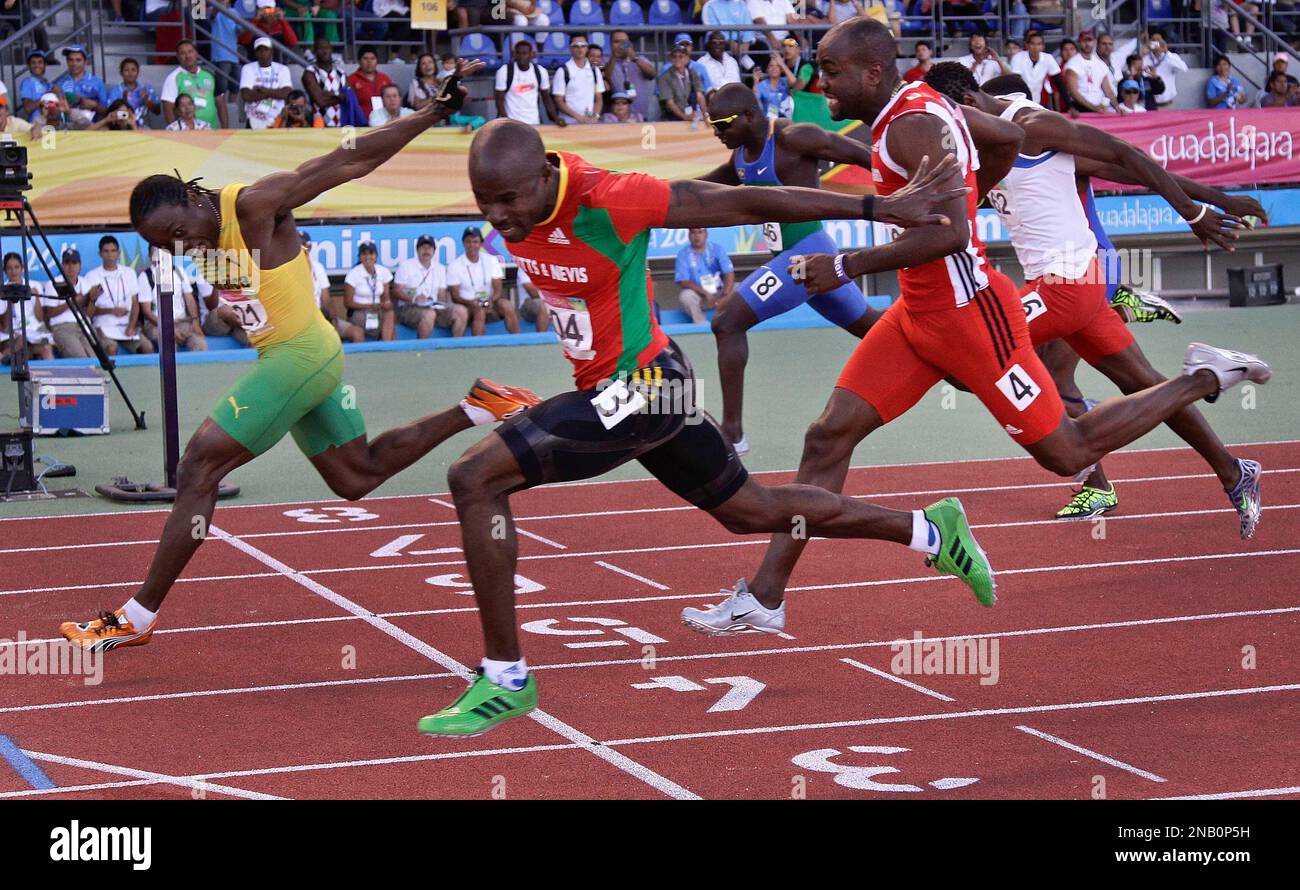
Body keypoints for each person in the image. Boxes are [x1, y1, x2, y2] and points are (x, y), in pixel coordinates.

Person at [681, 19, 1270, 638]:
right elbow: (1008, 137)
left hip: (971, 315)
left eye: (830, 71)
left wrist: (845, 263)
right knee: (827, 437)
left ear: (872, 72)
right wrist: (975, 181)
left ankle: (1206, 375)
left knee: (1065, 450)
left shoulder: (911, 124)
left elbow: (952, 233)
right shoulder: (912, 109)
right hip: (917, 313)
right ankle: (767, 597)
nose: (819, 81)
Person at [414, 117, 992, 738]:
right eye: (484, 202)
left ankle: (505, 679)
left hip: (645, 389)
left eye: (509, 199)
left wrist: (876, 205)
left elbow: (742, 201)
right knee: (752, 509)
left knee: (474, 477)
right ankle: (930, 532)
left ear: (543, 174)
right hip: (644, 391)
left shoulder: (608, 197)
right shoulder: (519, 210)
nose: (498, 216)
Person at [62, 64, 546, 653]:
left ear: (193, 196)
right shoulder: (195, 238)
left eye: (176, 231)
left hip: (299, 357)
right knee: (356, 475)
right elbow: (242, 301)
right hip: (302, 356)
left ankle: (135, 617)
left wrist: (429, 114)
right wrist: (229, 308)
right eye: (163, 246)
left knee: (198, 470)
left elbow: (346, 160)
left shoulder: (255, 206)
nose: (177, 246)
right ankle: (474, 407)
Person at [928, 65, 1266, 535]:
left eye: (946, 116)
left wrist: (1200, 207)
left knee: (974, 357)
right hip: (1070, 292)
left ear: (966, 97)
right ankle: (1234, 471)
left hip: (1068, 285)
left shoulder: (1035, 127)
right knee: (1141, 382)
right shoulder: (982, 143)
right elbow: (1122, 172)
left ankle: (1095, 450)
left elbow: (1125, 157)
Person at [695, 82, 900, 452]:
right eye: (713, 126)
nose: (717, 133)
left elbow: (863, 155)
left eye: (723, 124)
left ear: (750, 115)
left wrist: (908, 190)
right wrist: (645, 195)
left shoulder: (793, 136)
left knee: (726, 321)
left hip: (806, 256)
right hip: (794, 260)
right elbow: (698, 191)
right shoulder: (740, 158)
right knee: (876, 330)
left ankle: (732, 434)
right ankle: (955, 367)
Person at [394, 234, 469, 337]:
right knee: (429, 314)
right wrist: (414, 299)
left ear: (434, 251)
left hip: (434, 307)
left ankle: (457, 347)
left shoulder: (440, 268)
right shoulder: (406, 266)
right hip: (409, 308)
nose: (426, 251)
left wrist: (441, 305)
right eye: (423, 248)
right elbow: (397, 291)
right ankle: (423, 350)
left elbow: (442, 294)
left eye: (429, 248)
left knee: (461, 311)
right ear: (417, 250)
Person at [136, 246, 207, 352]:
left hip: (181, 322)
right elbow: (147, 312)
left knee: (200, 343)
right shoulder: (145, 276)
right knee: (168, 343)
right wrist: (168, 328)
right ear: (150, 257)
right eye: (155, 254)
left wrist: (195, 322)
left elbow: (190, 299)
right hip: (156, 324)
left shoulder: (179, 271)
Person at [448, 227, 517, 335]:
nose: (471, 245)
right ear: (463, 243)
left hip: (490, 302)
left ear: (481, 243)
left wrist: (492, 300)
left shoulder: (492, 260)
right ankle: (477, 346)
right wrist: (471, 303)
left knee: (507, 305)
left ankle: (516, 340)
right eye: (468, 242)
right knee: (479, 311)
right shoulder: (454, 265)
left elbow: (498, 287)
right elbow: (455, 296)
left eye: (475, 242)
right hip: (467, 305)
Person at [494, 39, 565, 127]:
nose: (521, 56)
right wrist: (507, 122)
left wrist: (556, 118)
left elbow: (546, 98)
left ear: (532, 55)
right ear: (514, 55)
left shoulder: (540, 71)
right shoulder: (504, 72)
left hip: (534, 122)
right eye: (518, 53)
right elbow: (499, 100)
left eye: (525, 53)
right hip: (512, 124)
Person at [38, 249, 95, 359]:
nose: (71, 267)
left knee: (96, 358)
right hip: (63, 327)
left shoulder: (86, 283)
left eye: (74, 263)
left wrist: (92, 300)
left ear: (80, 265)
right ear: (62, 265)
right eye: (67, 263)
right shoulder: (54, 283)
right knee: (81, 358)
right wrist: (71, 302)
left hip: (85, 326)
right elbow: (49, 313)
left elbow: (90, 314)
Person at [161, 40, 230, 129]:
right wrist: (175, 133)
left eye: (190, 51)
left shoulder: (210, 75)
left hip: (212, 130)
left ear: (196, 53)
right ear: (178, 56)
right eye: (183, 53)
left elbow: (221, 105)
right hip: (186, 133)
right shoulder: (173, 78)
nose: (187, 56)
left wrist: (225, 130)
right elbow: (168, 109)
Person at [0, 252, 54, 363]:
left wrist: (36, 298)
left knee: (46, 350)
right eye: (9, 268)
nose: (13, 271)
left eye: (16, 267)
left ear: (22, 268)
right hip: (13, 333)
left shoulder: (34, 285)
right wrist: (11, 300)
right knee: (20, 341)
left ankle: (53, 379)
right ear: (5, 271)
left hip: (34, 330)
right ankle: (4, 357)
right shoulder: (2, 290)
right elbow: (4, 324)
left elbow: (40, 318)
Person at [675, 227, 735, 323]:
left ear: (706, 234)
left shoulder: (717, 249)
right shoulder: (683, 254)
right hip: (700, 295)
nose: (697, 236)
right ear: (689, 236)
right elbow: (683, 281)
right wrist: (706, 293)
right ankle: (701, 324)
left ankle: (733, 321)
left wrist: (725, 294)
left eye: (700, 232)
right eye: (693, 232)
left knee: (739, 287)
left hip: (720, 292)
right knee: (686, 296)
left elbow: (729, 273)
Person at [343, 241, 395, 339]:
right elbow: (347, 303)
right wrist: (369, 306)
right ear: (360, 257)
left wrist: (386, 304)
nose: (368, 257)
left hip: (378, 310)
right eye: (364, 254)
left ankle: (386, 347)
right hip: (359, 312)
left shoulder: (383, 271)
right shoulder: (353, 273)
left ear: (376, 256)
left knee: (390, 314)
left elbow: (386, 297)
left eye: (371, 253)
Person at [604, 30, 658, 122]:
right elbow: (606, 76)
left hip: (640, 116)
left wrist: (634, 58)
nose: (621, 45)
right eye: (616, 42)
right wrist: (614, 56)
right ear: (610, 44)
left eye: (624, 42)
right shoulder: (606, 61)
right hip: (617, 119)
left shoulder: (640, 59)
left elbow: (652, 74)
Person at [240, 36, 293, 129]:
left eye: (266, 49)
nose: (262, 53)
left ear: (271, 51)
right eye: (259, 50)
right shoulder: (248, 68)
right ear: (255, 53)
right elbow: (246, 96)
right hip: (254, 119)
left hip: (278, 119)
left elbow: (287, 94)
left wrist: (262, 90)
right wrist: (276, 93)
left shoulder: (282, 69)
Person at [552, 35, 604, 124]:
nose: (580, 49)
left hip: (590, 123)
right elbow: (558, 100)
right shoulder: (562, 71)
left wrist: (595, 116)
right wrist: (578, 117)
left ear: (587, 48)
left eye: (583, 45)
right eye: (576, 46)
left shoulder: (595, 70)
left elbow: (599, 98)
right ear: (570, 49)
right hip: (568, 123)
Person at [1064, 29, 1117, 113]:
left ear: (1094, 42)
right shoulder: (1073, 64)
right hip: (1080, 108)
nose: (1087, 44)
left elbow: (1108, 91)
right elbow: (1073, 92)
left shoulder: (1100, 64)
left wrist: (1117, 107)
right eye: (1084, 41)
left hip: (1098, 108)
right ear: (1079, 43)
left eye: (1090, 41)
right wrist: (1093, 108)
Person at [54, 44, 107, 124]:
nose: (74, 63)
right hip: (67, 131)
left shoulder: (97, 83)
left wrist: (95, 105)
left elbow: (107, 112)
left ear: (85, 62)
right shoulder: (60, 84)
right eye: (70, 60)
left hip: (92, 130)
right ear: (67, 61)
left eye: (78, 60)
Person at [302, 36, 347, 127]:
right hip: (320, 126)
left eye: (327, 48)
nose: (324, 51)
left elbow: (347, 97)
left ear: (331, 50)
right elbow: (320, 101)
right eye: (320, 48)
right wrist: (340, 96)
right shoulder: (310, 72)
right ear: (314, 51)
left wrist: (328, 94)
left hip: (342, 126)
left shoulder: (341, 72)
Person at [658, 44, 709, 122]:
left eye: (680, 56)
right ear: (671, 58)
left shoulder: (693, 73)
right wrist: (685, 117)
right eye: (674, 56)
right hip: (672, 118)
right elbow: (669, 103)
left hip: (691, 115)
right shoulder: (664, 77)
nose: (677, 59)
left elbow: (700, 95)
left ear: (687, 58)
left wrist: (705, 114)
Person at [105, 57, 160, 128]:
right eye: (126, 70)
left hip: (144, 128)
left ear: (138, 72)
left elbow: (157, 111)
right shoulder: (116, 91)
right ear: (121, 73)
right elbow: (111, 115)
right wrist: (124, 103)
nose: (130, 73)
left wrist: (146, 101)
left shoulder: (146, 88)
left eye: (133, 70)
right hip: (123, 129)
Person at [1009, 29, 1059, 105]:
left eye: (1039, 44)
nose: (1035, 47)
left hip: (1036, 101)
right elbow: (1016, 81)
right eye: (1032, 44)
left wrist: (1070, 106)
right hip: (1019, 101)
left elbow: (1059, 82)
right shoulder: (1018, 57)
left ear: (1043, 46)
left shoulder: (1048, 58)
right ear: (1027, 45)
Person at [1142, 28, 1188, 108]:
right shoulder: (1144, 59)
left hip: (1168, 105)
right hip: (1150, 105)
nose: (1156, 42)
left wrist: (1166, 52)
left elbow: (1184, 68)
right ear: (1149, 42)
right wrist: (1142, 53)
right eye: (1153, 40)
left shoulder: (1171, 57)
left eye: (1159, 40)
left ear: (1163, 41)